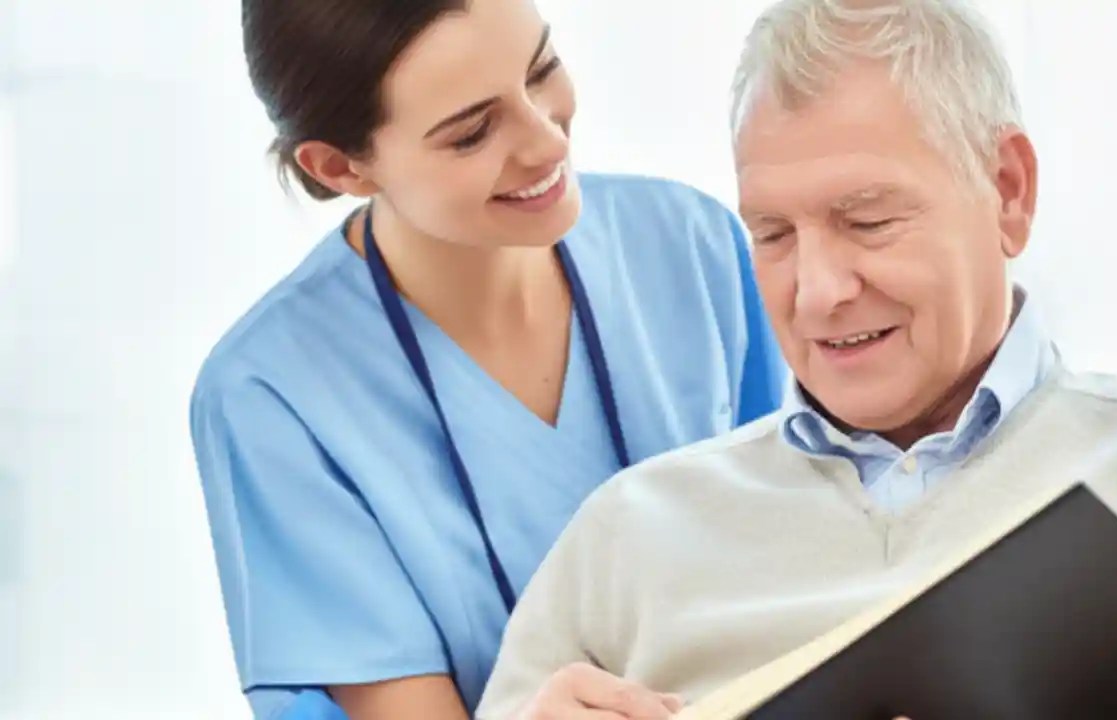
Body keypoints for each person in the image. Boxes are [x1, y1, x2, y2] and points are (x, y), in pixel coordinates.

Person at [475, 0, 1117, 718]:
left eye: (867, 222)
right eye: (774, 236)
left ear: (1007, 190)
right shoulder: (626, 536)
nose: (818, 292)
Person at [188, 1, 786, 718]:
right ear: (342, 167)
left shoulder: (692, 246)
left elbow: (791, 565)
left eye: (542, 70)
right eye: (472, 133)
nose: (545, 142)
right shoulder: (274, 395)